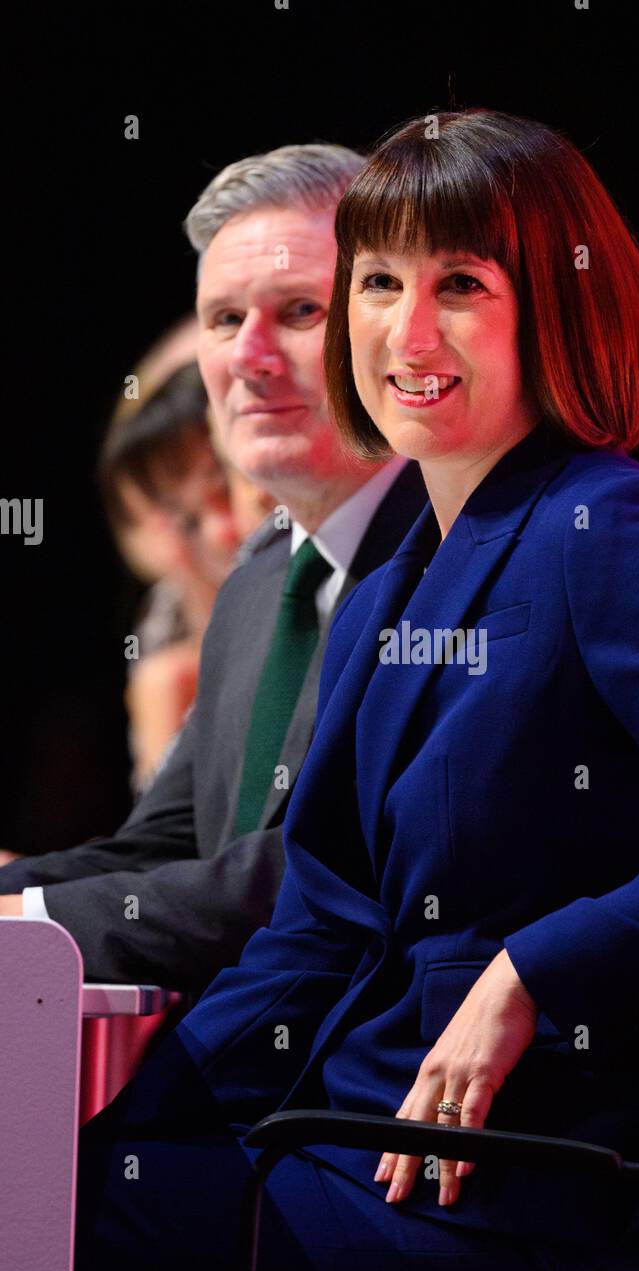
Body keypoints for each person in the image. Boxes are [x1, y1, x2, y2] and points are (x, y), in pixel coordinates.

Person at [72, 109, 639, 1271]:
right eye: (379, 282)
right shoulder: (396, 574)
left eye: (462, 285)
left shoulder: (611, 526)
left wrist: (529, 976)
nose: (406, 329)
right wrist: (110, 1145)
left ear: (553, 307)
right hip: (350, 1153)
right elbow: (321, 927)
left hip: (500, 1199)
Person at [0, 144, 427, 991]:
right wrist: (15, 893)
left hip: (372, 1086)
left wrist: (30, 923)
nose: (250, 357)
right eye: (224, 320)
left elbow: (326, 867)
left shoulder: (462, 552)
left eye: (299, 311)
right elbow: (163, 847)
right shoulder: (266, 570)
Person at [98, 358, 248, 793]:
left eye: (223, 485)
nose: (220, 531)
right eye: (189, 520)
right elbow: (162, 846)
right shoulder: (172, 667)